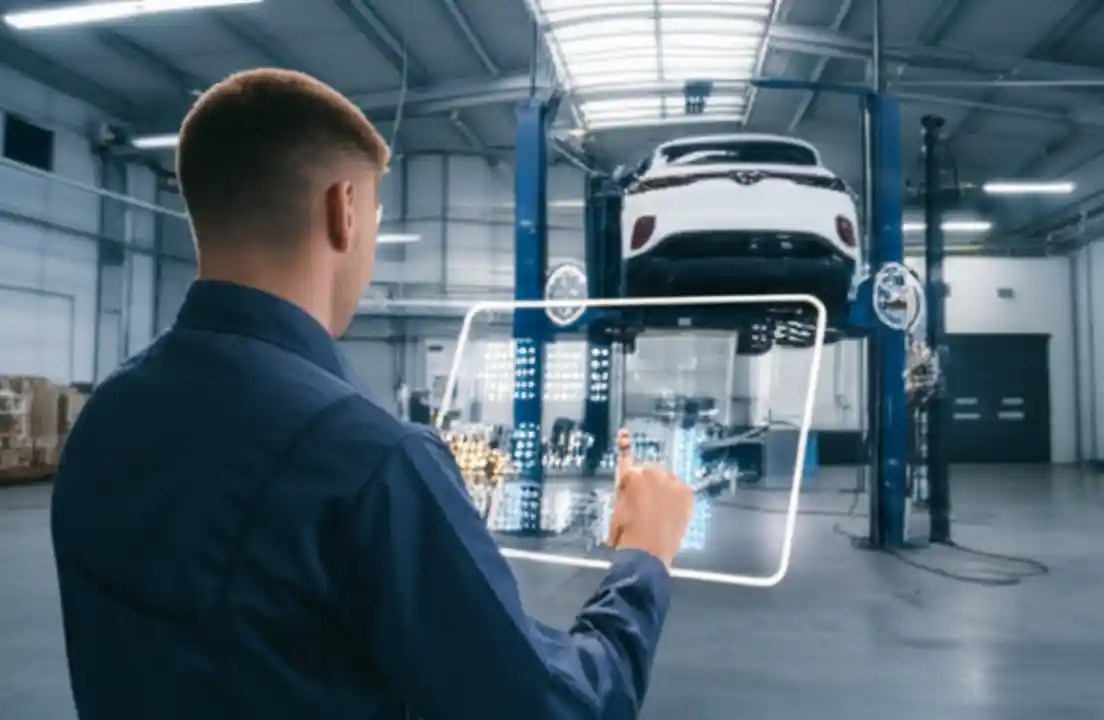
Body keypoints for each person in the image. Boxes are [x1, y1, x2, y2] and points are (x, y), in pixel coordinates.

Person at [51, 69, 694, 720]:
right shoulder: (368, 462)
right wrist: (643, 560)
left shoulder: (105, 418)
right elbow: (553, 710)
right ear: (346, 210)